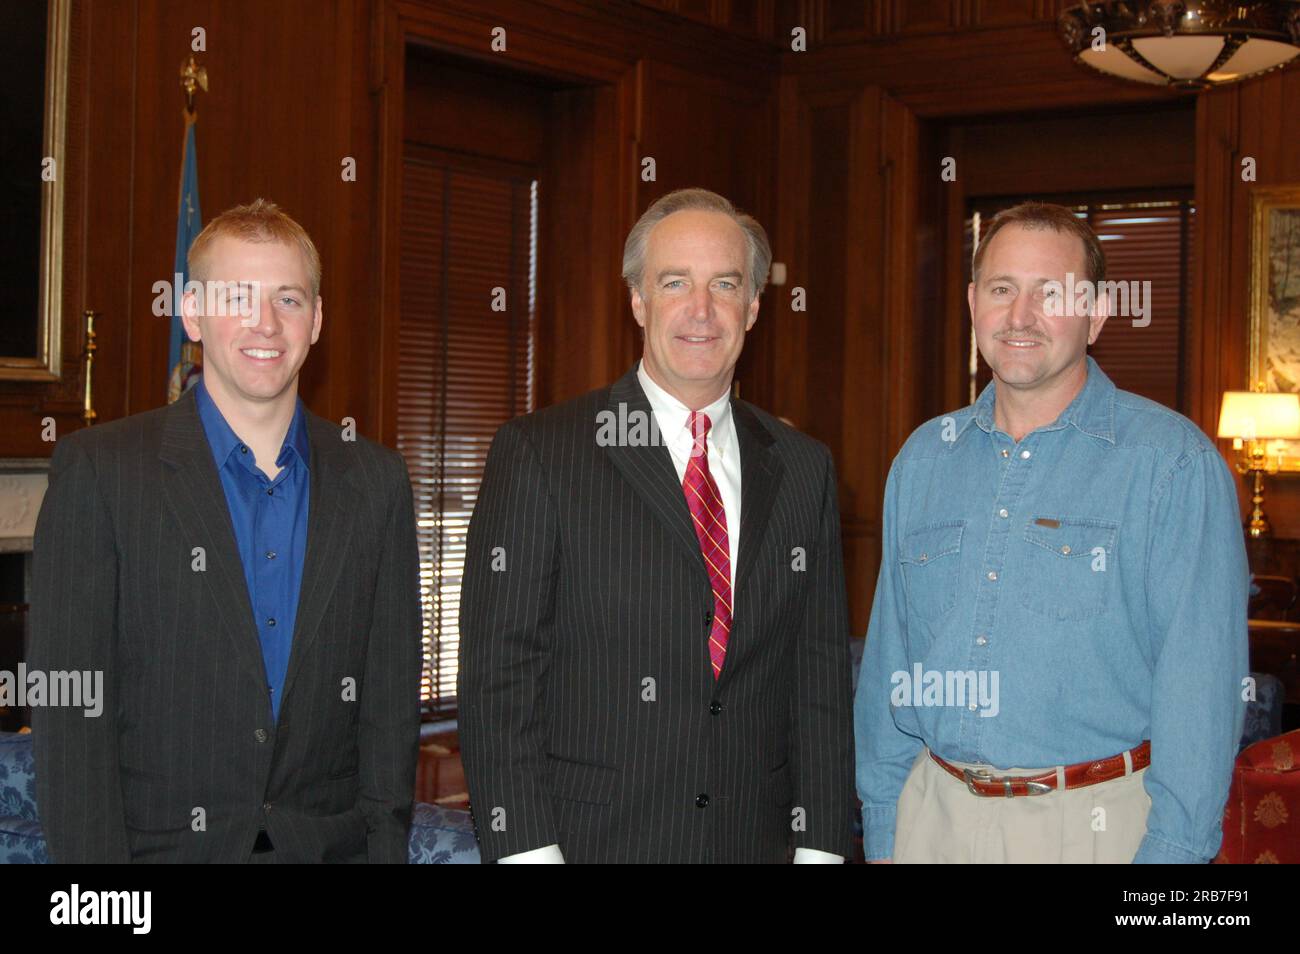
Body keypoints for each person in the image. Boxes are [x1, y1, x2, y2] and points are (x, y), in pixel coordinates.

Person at [459, 188, 854, 863]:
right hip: (590, 847)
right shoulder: (543, 453)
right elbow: (498, 679)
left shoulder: (803, 468)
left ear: (754, 306)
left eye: (724, 284)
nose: (700, 309)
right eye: (675, 283)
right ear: (638, 301)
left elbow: (817, 677)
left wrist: (819, 851)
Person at [855, 201, 1249, 863]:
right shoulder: (922, 459)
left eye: (1052, 294)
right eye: (1003, 290)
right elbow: (888, 677)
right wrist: (886, 836)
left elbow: (1201, 701)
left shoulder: (1172, 464)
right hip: (933, 821)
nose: (1021, 317)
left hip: (1096, 832)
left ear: (1096, 314)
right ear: (975, 304)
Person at [30, 199, 422, 862]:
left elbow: (387, 706)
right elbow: (73, 717)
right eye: (238, 296)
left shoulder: (376, 482)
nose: (265, 323)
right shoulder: (101, 472)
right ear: (192, 311)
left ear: (317, 319)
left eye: (289, 299)